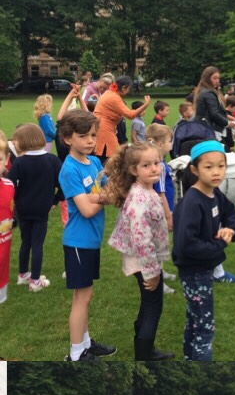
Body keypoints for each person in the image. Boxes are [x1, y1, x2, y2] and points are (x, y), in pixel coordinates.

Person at [171, 142, 235, 361]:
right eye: (209, 167)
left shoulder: (215, 195)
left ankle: (189, 359)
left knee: (195, 320)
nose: (216, 172)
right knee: (205, 326)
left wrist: (231, 230)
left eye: (221, 166)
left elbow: (230, 214)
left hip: (204, 269)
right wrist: (219, 245)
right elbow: (186, 245)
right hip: (193, 272)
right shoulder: (192, 202)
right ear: (195, 170)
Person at [105, 142, 173, 361]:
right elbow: (141, 239)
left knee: (148, 303)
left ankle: (146, 347)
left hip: (146, 258)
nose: (154, 168)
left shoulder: (146, 190)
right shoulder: (139, 200)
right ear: (134, 170)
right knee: (153, 307)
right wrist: (151, 272)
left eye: (157, 163)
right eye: (147, 165)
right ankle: (144, 356)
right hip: (143, 261)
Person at [59, 108, 117, 363]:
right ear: (68, 139)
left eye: (93, 135)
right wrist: (104, 198)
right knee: (82, 297)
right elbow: (86, 209)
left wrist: (105, 194)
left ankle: (85, 342)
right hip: (78, 241)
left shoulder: (93, 162)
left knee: (86, 295)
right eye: (84, 136)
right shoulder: (69, 169)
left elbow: (106, 189)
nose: (91, 141)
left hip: (90, 241)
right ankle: (76, 353)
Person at [7, 122, 57, 292]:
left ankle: (23, 274)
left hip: (22, 209)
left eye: (16, 140)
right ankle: (35, 281)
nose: (14, 143)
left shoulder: (20, 162)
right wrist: (55, 201)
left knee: (25, 242)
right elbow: (64, 184)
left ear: (24, 141)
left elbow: (10, 185)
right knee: (37, 244)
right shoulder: (52, 160)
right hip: (41, 209)